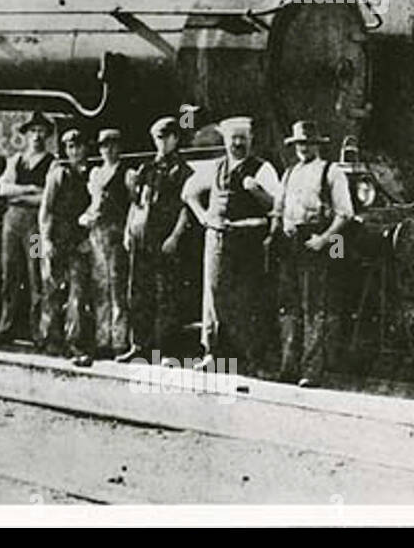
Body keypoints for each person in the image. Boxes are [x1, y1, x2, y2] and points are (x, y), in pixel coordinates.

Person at [182, 116, 281, 374]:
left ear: (251, 141)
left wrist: (256, 191)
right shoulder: (214, 167)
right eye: (233, 139)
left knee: (247, 298)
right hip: (216, 238)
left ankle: (250, 359)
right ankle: (212, 353)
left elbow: (277, 205)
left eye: (242, 139)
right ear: (225, 141)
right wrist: (203, 216)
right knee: (213, 296)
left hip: (247, 239)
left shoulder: (263, 168)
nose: (237, 143)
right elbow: (189, 192)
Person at [271, 120, 354, 387]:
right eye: (299, 144)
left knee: (314, 308)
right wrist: (275, 233)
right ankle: (288, 366)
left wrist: (325, 240)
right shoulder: (289, 173)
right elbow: (279, 208)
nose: (303, 148)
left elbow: (345, 214)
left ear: (317, 145)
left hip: (315, 242)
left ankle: (311, 370)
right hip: (290, 243)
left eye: (308, 143)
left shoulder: (331, 172)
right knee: (288, 307)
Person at [122, 116, 195, 363]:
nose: (161, 143)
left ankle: (166, 351)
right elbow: (135, 204)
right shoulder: (146, 169)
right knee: (138, 293)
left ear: (175, 138)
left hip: (165, 239)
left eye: (165, 137)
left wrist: (175, 237)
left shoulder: (183, 171)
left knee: (167, 295)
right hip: (141, 238)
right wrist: (127, 231)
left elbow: (187, 208)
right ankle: (139, 346)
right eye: (157, 138)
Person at [0, 111, 55, 348]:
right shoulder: (15, 160)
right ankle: (5, 327)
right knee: (9, 274)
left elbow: (47, 199)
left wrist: (21, 193)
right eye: (32, 131)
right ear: (25, 135)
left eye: (41, 131)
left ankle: (39, 332)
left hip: (36, 227)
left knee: (36, 275)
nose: (37, 136)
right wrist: (30, 189)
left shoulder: (52, 162)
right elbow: (3, 190)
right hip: (12, 224)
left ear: (47, 135)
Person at [39, 128, 98, 366]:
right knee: (51, 289)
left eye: (79, 146)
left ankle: (72, 341)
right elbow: (46, 209)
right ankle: (49, 338)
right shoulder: (58, 174)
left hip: (78, 241)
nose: (75, 151)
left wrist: (88, 237)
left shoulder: (91, 175)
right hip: (57, 239)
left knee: (77, 294)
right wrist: (45, 240)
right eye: (71, 147)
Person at [81, 128, 131, 359]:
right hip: (96, 234)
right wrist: (86, 218)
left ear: (119, 147)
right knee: (99, 288)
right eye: (104, 146)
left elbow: (133, 205)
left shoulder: (127, 173)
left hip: (116, 233)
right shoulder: (95, 174)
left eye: (113, 145)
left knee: (117, 288)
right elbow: (93, 203)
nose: (108, 150)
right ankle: (103, 340)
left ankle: (119, 340)